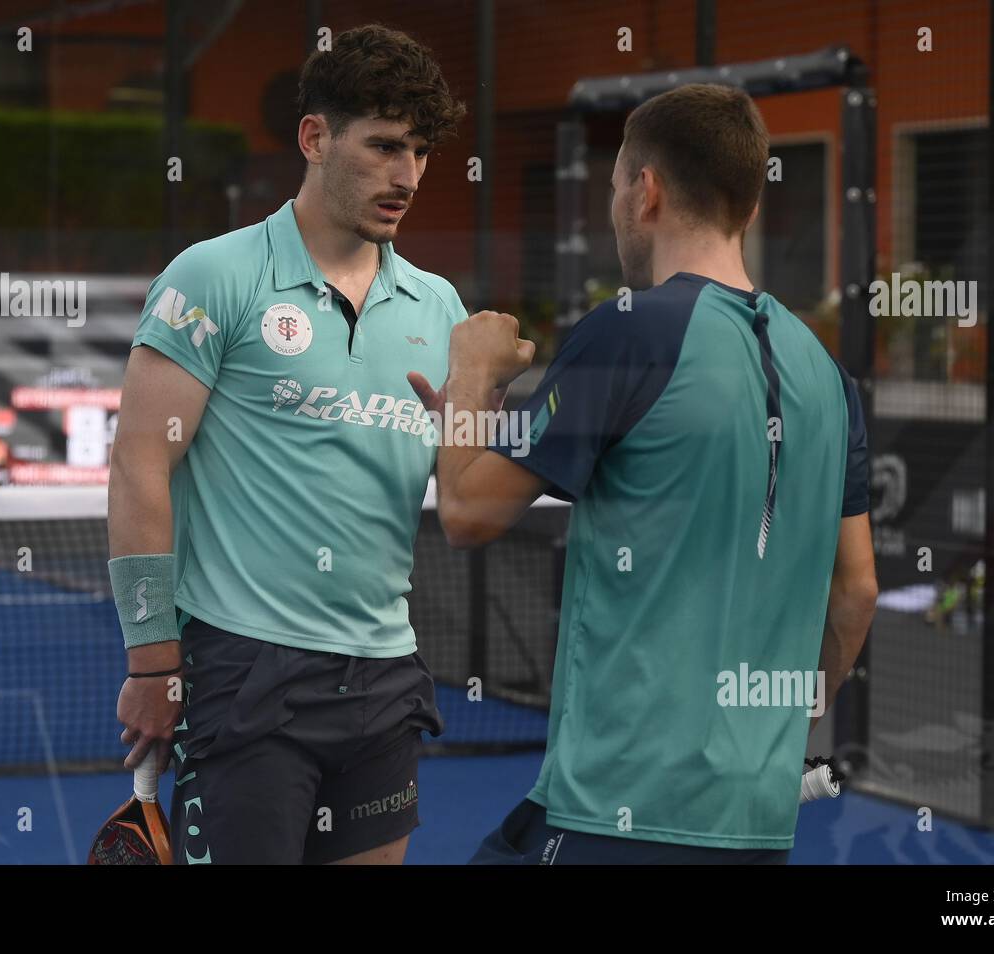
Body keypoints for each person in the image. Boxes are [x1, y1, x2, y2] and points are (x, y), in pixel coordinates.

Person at [409, 82, 878, 864]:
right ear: (750, 207)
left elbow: (464, 511)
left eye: (617, 185)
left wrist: (471, 378)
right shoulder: (827, 374)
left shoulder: (630, 332)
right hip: (756, 821)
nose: (615, 205)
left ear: (646, 190)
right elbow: (857, 591)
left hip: (616, 812)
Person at [108, 23, 468, 865]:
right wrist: (153, 658)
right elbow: (139, 464)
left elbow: (466, 501)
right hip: (244, 671)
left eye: (419, 151)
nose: (407, 175)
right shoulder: (212, 277)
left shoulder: (442, 309)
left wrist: (476, 428)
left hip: (384, 673)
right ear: (315, 138)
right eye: (383, 146)